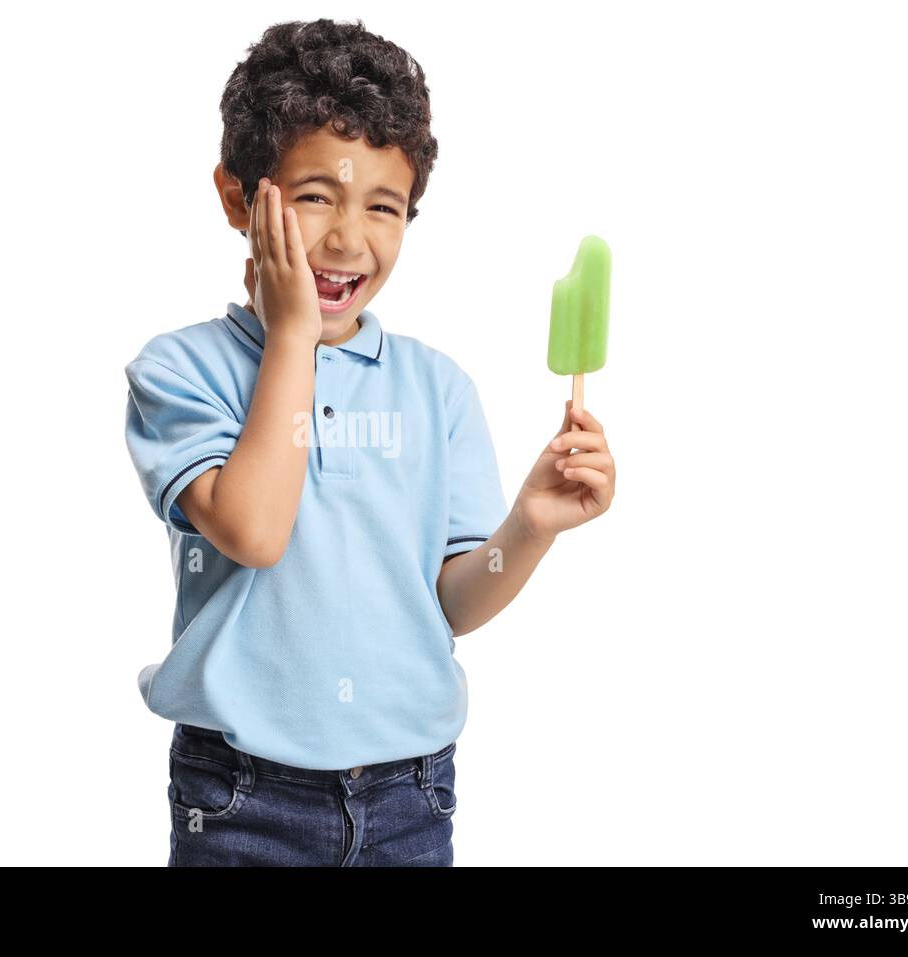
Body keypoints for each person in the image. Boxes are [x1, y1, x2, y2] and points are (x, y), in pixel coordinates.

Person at [123, 18, 616, 866]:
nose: (350, 239)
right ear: (239, 197)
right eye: (316, 195)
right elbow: (254, 530)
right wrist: (291, 339)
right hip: (241, 799)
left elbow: (452, 606)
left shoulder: (438, 388)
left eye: (383, 207)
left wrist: (528, 527)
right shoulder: (180, 370)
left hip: (410, 796)